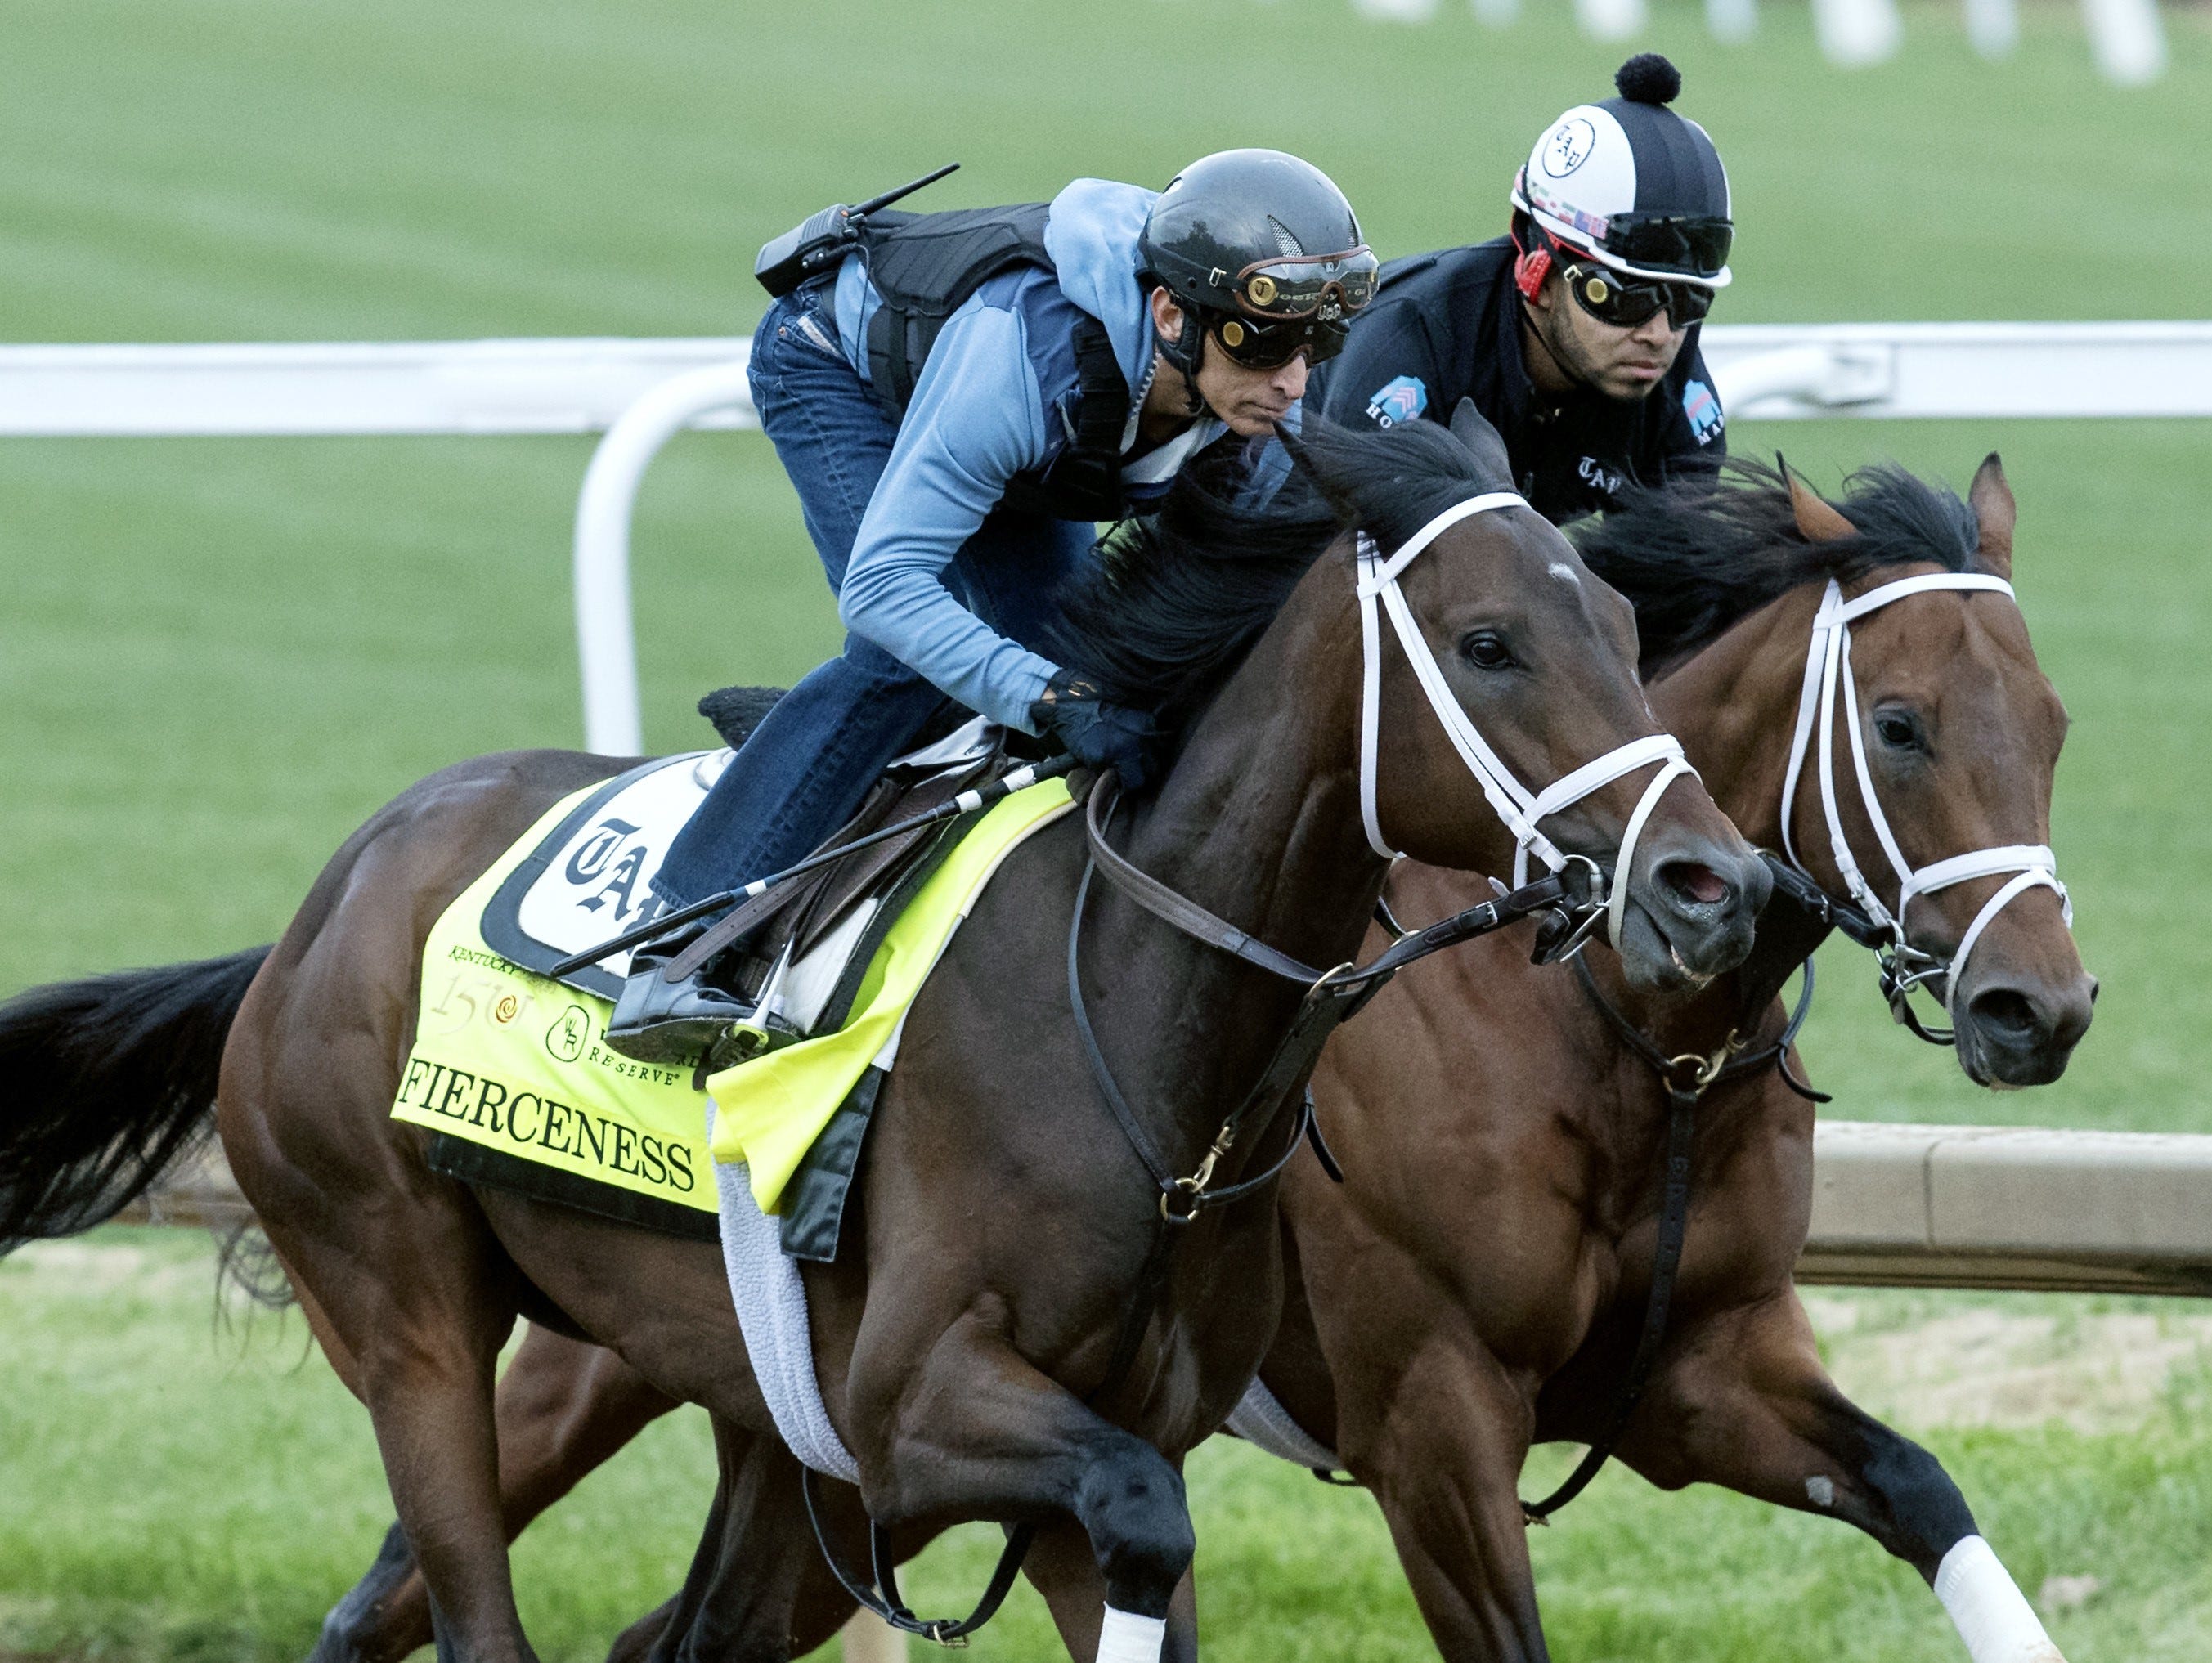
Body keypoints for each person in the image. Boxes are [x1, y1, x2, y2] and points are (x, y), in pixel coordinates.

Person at [606, 150, 1378, 1063]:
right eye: (1264, 345)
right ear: (1172, 315)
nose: (1294, 381)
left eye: (1315, 345)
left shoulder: (1252, 387)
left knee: (1080, 665)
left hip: (1027, 454)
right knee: (906, 659)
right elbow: (886, 589)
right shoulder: (1020, 356)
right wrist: (1045, 696)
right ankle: (679, 943)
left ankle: (878, 780)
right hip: (836, 369)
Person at [1314, 52, 1732, 524]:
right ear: (1538, 273)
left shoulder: (1675, 388)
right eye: (1625, 298)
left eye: (1690, 301)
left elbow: (1668, 567)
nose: (1660, 335)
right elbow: (1346, 559)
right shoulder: (1409, 350)